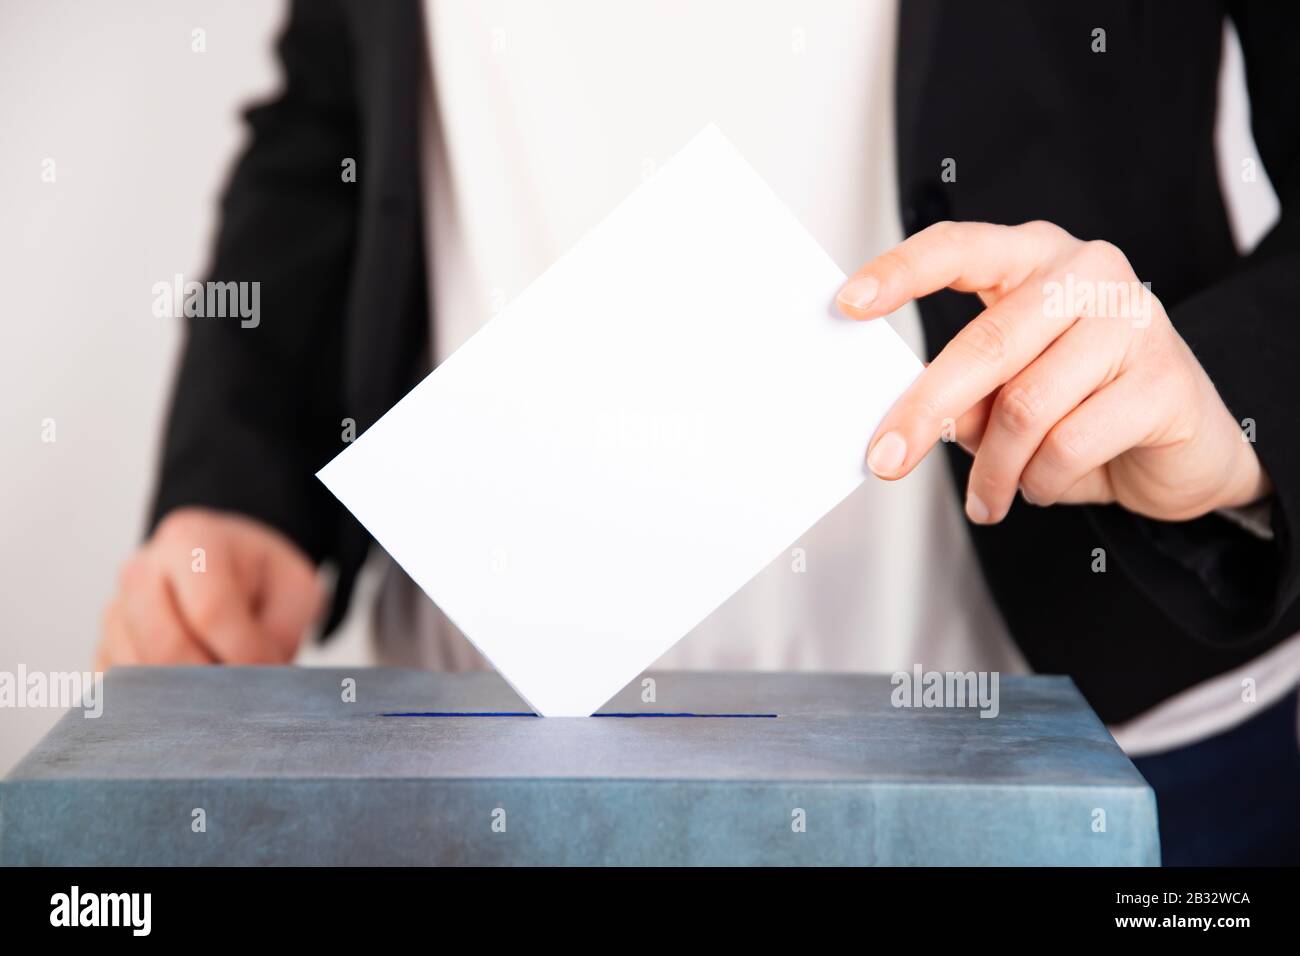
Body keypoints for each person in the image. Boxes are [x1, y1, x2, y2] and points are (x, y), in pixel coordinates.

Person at [96, 1, 1300, 865]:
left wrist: (1229, 402)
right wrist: (241, 486)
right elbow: (331, 124)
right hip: (489, 758)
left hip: (1112, 759)